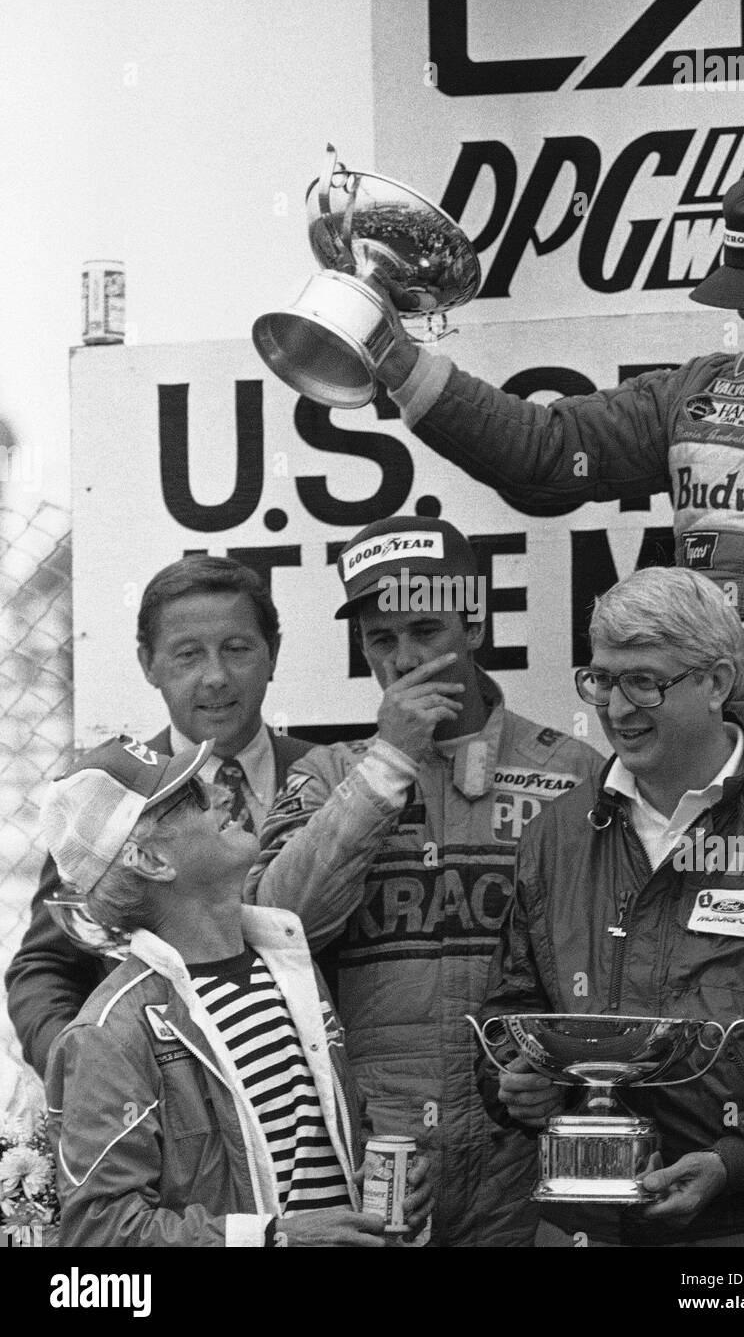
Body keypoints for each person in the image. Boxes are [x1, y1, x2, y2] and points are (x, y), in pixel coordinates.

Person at [377, 159, 744, 795]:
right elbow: (544, 454)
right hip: (697, 741)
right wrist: (395, 358)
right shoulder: (698, 393)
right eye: (742, 299)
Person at [477, 567, 744, 1247]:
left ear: (715, 683)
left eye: (643, 681)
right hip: (582, 1223)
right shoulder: (555, 832)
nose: (616, 707)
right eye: (600, 679)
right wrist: (516, 1081)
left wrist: (733, 1161)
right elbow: (512, 1005)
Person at [245, 514, 603, 1246]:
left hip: (524, 1141)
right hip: (376, 1145)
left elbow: (613, 960)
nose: (403, 658)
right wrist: (389, 763)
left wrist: (563, 1082)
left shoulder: (571, 771)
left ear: (474, 625)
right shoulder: (329, 775)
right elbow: (279, 928)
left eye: (424, 629)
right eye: (381, 640)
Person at [43, 734, 430, 1247]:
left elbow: (309, 1154)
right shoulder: (108, 1033)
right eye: (193, 797)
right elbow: (100, 1232)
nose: (222, 793)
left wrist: (382, 1192)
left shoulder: (289, 962)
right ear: (151, 861)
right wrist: (274, 1240)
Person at [7, 554, 311, 1078]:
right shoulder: (113, 798)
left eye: (236, 649)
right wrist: (86, 1071)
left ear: (273, 653)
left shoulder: (328, 778)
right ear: (149, 663)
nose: (216, 677)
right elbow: (46, 968)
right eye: (188, 655)